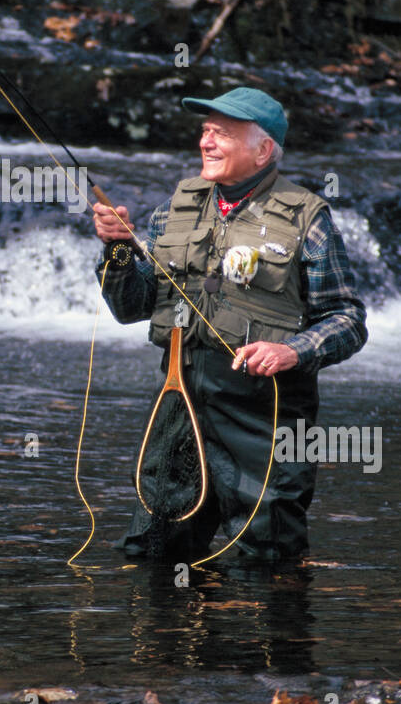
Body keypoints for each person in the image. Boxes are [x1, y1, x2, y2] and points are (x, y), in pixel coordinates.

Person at [91, 86, 367, 565]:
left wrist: (293, 351)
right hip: (180, 404)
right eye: (204, 131)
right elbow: (130, 306)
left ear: (263, 150)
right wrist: (116, 248)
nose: (206, 142)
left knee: (266, 560)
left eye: (222, 133)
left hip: (265, 415)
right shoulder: (175, 207)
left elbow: (348, 319)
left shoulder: (308, 218)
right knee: (153, 552)